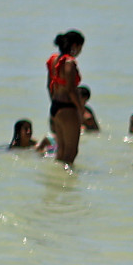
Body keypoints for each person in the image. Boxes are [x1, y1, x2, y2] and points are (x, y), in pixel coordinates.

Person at [46, 30, 86, 166]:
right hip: (67, 108)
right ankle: (66, 183)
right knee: (71, 152)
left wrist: (54, 103)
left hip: (55, 106)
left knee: (61, 151)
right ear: (75, 45)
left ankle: (56, 179)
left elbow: (49, 85)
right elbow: (71, 89)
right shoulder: (69, 62)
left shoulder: (53, 60)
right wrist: (81, 109)